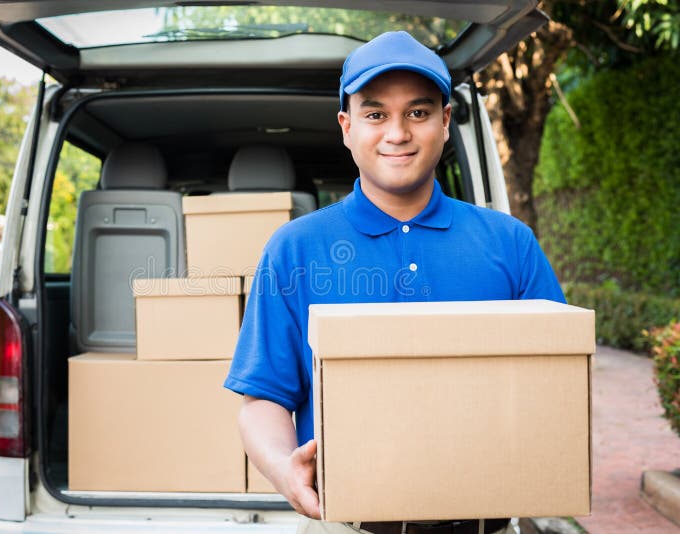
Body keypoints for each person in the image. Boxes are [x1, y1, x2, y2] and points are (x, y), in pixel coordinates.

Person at [224, 31, 565, 534]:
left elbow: (555, 380)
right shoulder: (295, 249)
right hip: (348, 524)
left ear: (446, 121)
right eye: (376, 113)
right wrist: (284, 471)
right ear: (346, 126)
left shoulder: (509, 242)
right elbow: (263, 400)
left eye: (418, 112)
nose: (397, 133)